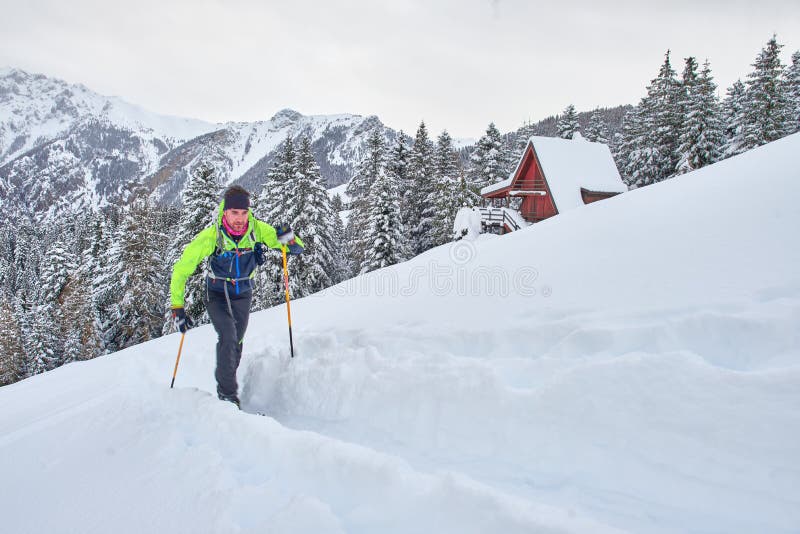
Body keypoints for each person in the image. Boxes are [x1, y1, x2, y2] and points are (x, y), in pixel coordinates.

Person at [169, 185, 304, 408]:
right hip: (217, 293)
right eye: (234, 213)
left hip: (243, 293)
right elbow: (181, 270)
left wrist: (289, 239)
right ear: (225, 213)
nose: (240, 218)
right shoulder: (212, 236)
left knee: (237, 342)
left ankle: (228, 385)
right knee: (229, 336)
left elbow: (296, 248)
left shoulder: (256, 229)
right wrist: (177, 307)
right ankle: (228, 398)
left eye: (243, 212)